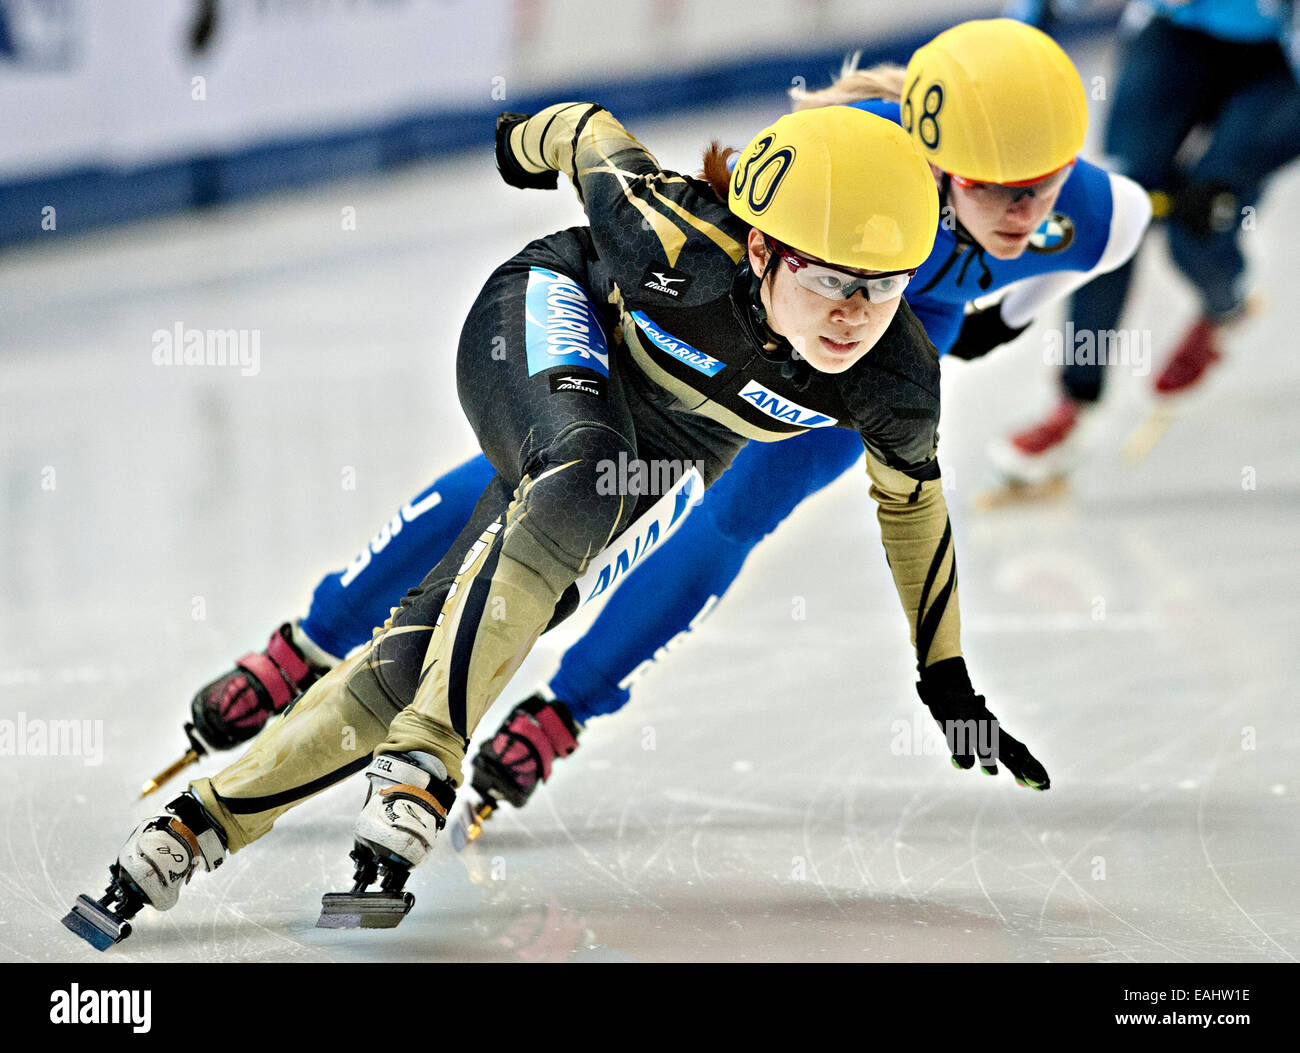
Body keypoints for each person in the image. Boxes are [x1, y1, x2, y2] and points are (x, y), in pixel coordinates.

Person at [69, 100, 1049, 945]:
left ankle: (197, 824)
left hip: (664, 438)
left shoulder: (894, 379)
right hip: (551, 313)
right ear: (760, 249)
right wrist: (516, 143)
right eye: (831, 279)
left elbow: (914, 516)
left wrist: (945, 676)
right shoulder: (672, 241)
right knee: (576, 474)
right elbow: (584, 133)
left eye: (882, 286)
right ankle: (424, 762)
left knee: (445, 643)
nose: (854, 314)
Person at [156, 20, 1140, 835]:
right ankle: (315, 639)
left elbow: (1080, 257)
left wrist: (992, 324)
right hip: (787, 325)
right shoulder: (855, 156)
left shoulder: (1091, 214)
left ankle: (566, 707)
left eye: (1044, 186)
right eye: (993, 190)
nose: (1024, 212)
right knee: (549, 473)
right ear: (928, 157)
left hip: (876, 366)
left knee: (733, 516)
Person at [991, 0, 1300, 480]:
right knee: (1112, 209)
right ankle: (1075, 398)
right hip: (1175, 29)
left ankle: (1223, 307)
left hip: (1280, 63)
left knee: (1204, 214)